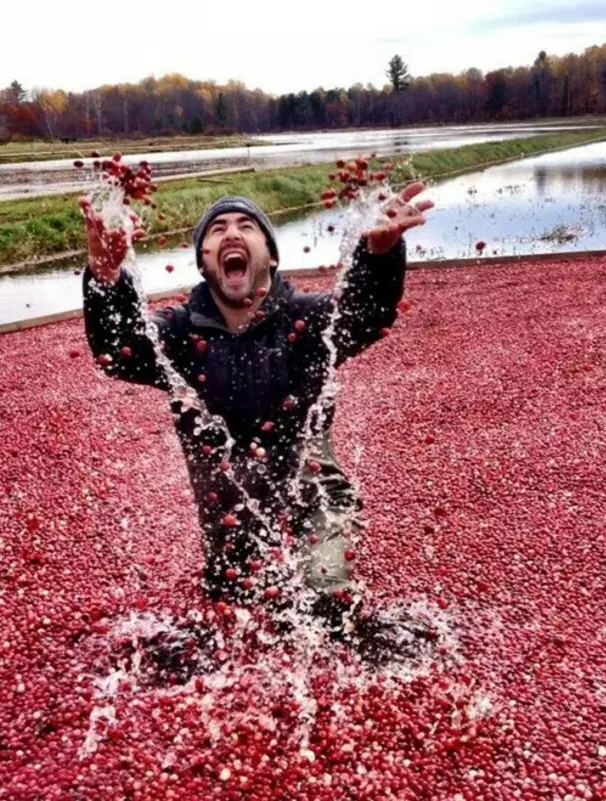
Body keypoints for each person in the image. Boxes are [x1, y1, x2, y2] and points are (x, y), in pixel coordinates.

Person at [81, 184, 435, 675]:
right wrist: (104, 278)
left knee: (324, 603)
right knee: (239, 624)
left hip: (314, 499)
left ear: (269, 255)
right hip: (230, 516)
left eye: (247, 227)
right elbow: (115, 350)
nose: (233, 234)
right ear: (204, 261)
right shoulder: (178, 336)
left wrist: (378, 255)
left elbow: (365, 315)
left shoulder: (308, 321)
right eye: (217, 230)